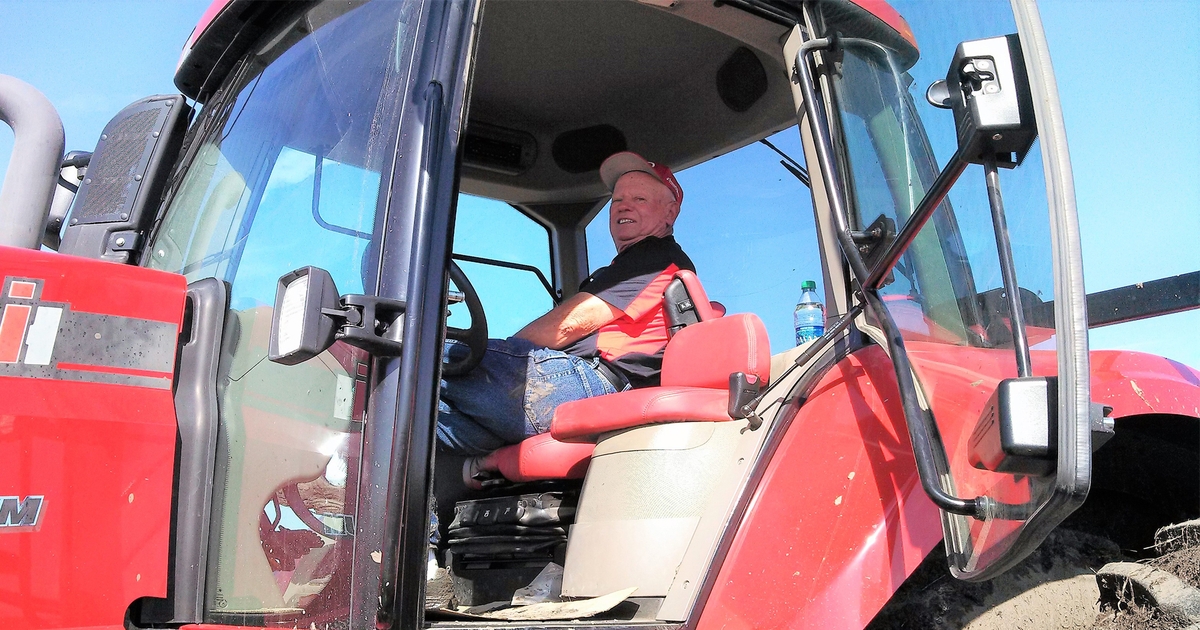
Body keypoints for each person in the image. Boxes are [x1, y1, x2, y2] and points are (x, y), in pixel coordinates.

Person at [436, 151, 696, 455]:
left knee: (413, 347)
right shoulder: (621, 267)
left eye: (639, 199)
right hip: (573, 387)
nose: (623, 205)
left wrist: (499, 357)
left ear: (669, 212)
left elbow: (570, 323)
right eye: (617, 200)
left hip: (587, 384)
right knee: (418, 411)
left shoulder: (656, 257)